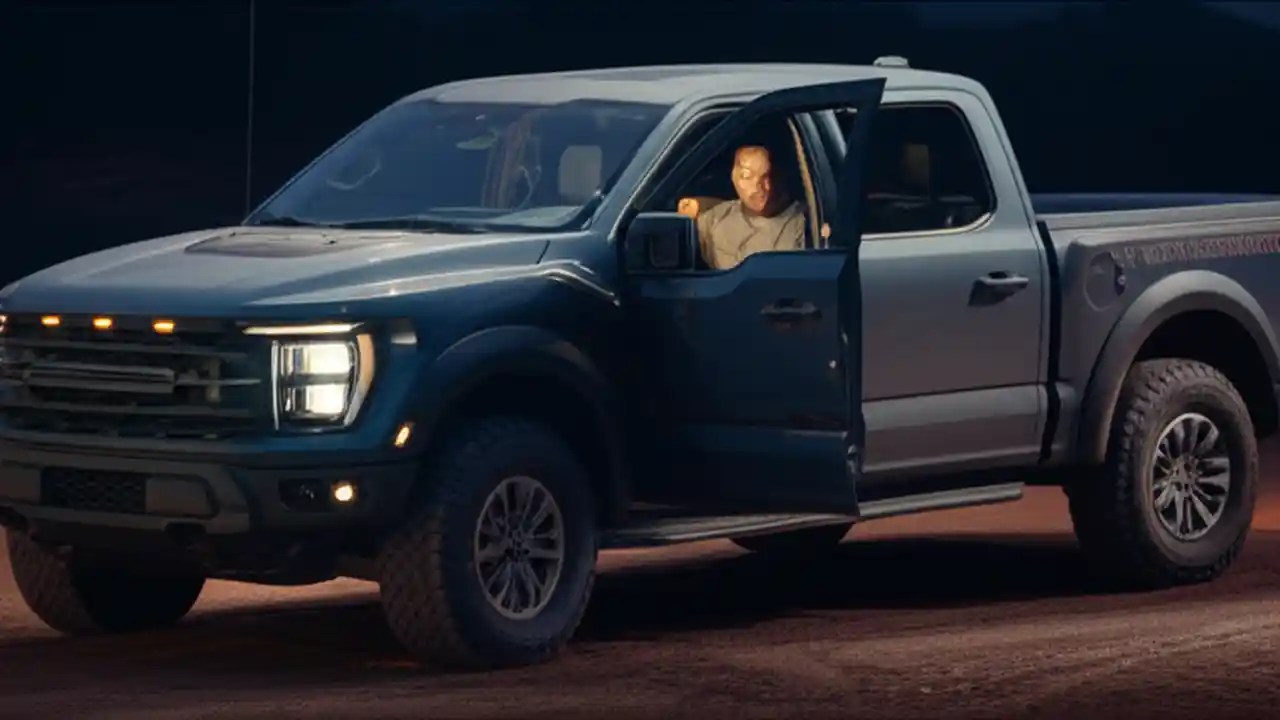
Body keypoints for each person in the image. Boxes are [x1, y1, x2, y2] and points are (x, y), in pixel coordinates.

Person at [678, 145, 807, 270]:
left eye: (767, 176)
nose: (758, 186)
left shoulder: (804, 223)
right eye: (747, 176)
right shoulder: (714, 220)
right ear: (734, 178)